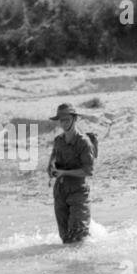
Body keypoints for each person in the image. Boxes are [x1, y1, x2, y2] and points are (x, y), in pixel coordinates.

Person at [46, 103, 95, 244]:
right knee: (66, 239)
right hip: (60, 192)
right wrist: (51, 170)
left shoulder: (83, 142)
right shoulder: (58, 141)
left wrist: (64, 172)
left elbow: (88, 171)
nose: (64, 123)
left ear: (74, 119)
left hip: (78, 193)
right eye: (61, 120)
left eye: (67, 119)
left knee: (79, 236)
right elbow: (52, 161)